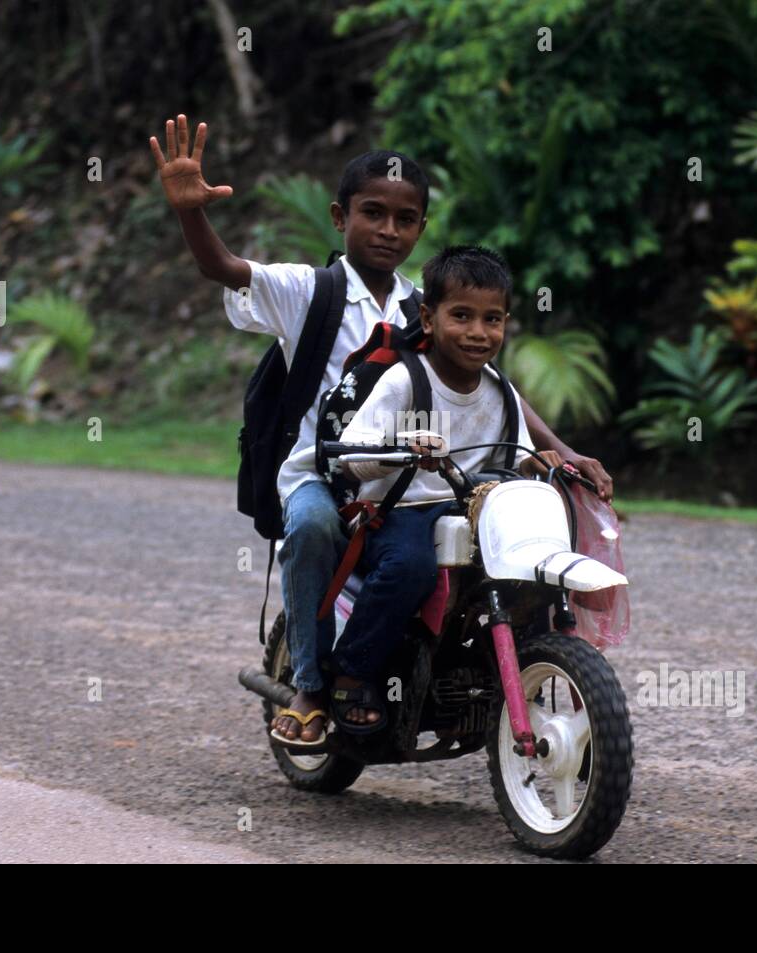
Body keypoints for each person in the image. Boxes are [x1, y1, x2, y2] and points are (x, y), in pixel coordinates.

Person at [149, 114, 613, 745]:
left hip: (404, 479)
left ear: (421, 228)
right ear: (341, 218)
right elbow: (226, 268)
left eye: (404, 219)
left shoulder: (429, 302)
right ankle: (313, 685)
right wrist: (189, 213)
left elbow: (493, 383)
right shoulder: (307, 290)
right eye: (373, 213)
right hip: (322, 469)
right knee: (311, 525)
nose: (388, 230)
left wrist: (562, 451)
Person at [329, 245, 563, 730]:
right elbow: (351, 452)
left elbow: (515, 454)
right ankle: (353, 671)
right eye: (462, 316)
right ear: (428, 319)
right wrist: (402, 444)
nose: (478, 333)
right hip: (402, 513)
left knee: (535, 573)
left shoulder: (501, 391)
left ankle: (528, 680)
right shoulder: (404, 380)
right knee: (410, 568)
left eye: (492, 319)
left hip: (476, 512)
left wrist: (541, 464)